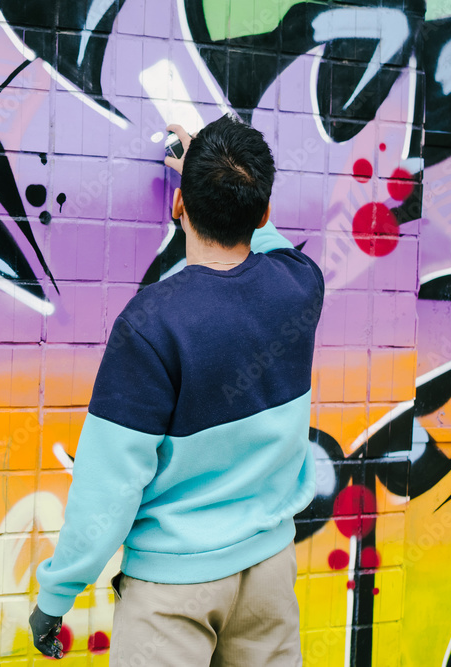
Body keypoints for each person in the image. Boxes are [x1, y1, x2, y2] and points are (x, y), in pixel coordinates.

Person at [29, 115, 324, 666]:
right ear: (263, 212)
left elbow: (108, 486)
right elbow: (270, 240)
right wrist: (227, 185)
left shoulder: (150, 325)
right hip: (269, 573)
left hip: (172, 590)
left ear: (178, 205)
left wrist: (57, 594)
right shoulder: (300, 285)